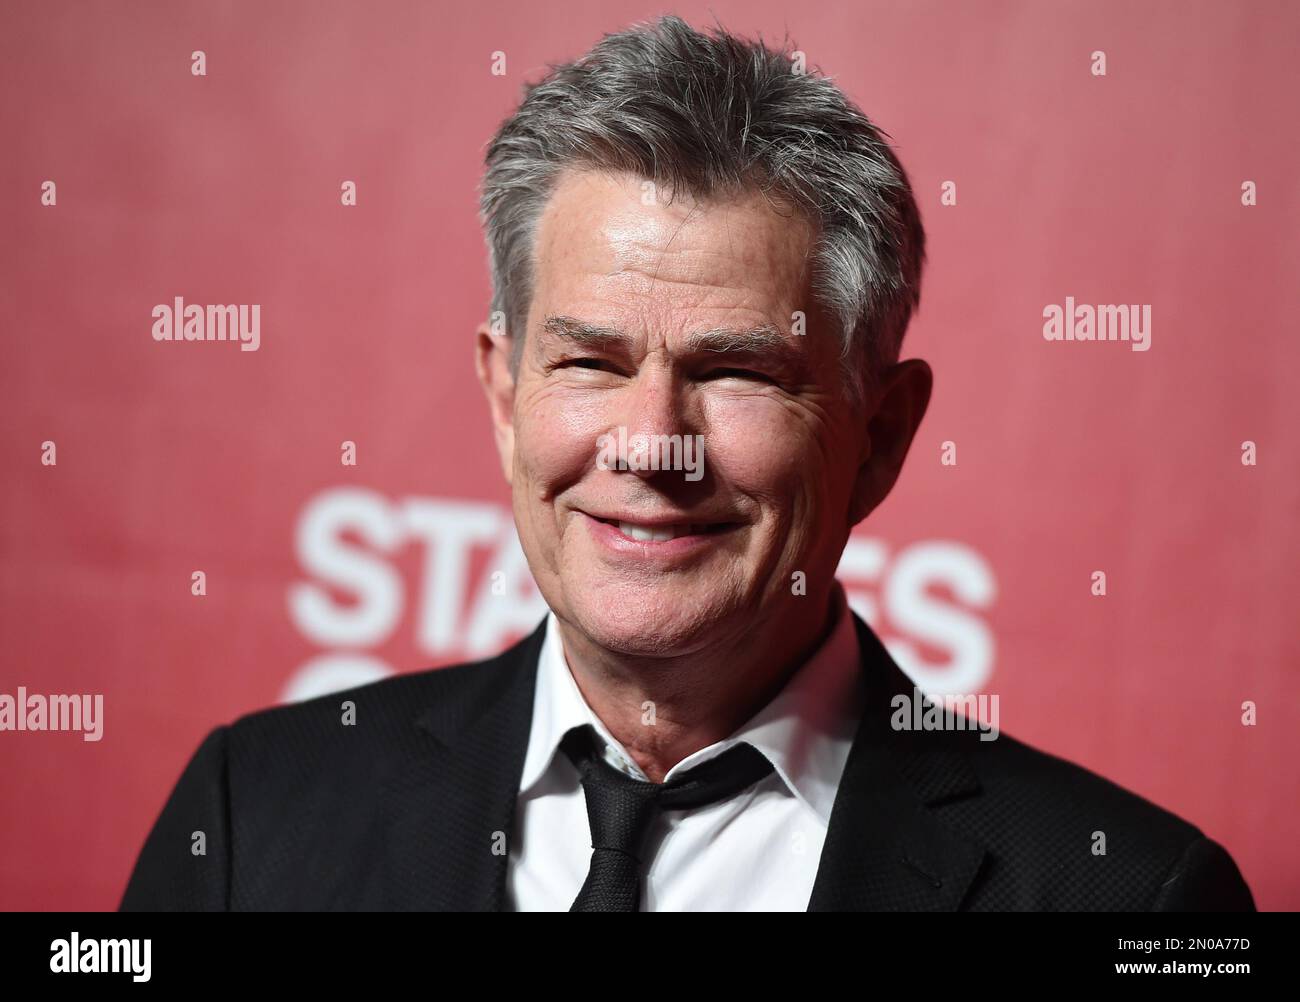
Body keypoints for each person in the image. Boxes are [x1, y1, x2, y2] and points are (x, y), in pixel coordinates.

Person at [120, 15, 1254, 912]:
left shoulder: (1127, 898)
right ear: (504, 397)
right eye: (590, 361)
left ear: (884, 436)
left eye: (739, 372)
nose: (651, 442)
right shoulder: (254, 811)